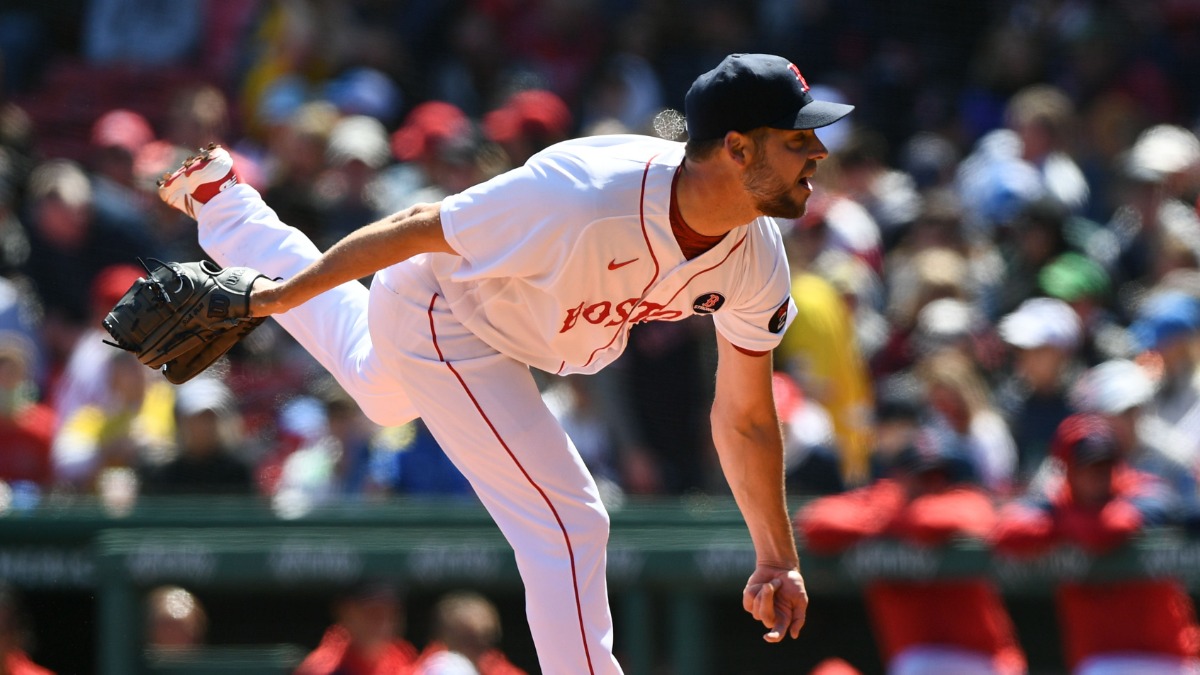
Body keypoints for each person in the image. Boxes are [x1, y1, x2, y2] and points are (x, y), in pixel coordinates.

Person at [159, 52, 851, 673]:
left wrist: (776, 555)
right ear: (734, 147)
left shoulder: (756, 257)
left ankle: (224, 205)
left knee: (380, 389)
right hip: (443, 304)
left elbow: (746, 416)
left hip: (515, 334)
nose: (818, 152)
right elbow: (418, 226)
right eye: (797, 140)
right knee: (570, 519)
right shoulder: (582, 195)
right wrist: (275, 300)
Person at [795, 431, 1026, 675]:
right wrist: (889, 513)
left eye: (940, 475)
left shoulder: (964, 500)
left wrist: (888, 518)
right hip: (916, 659)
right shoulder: (882, 503)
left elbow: (935, 520)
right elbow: (815, 524)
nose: (933, 483)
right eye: (922, 475)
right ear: (898, 478)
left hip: (983, 659)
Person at [991, 414, 1197, 675]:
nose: (1099, 474)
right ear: (1067, 469)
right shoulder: (1056, 505)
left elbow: (1112, 527)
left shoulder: (1142, 491)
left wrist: (1061, 525)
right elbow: (1004, 531)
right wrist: (1065, 522)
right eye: (1088, 466)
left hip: (1169, 656)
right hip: (1103, 660)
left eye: (1106, 463)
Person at [294, 581, 418, 675]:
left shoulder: (402, 659)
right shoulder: (324, 668)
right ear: (345, 612)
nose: (383, 621)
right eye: (373, 612)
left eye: (391, 612)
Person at [415, 591, 525, 675]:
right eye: (469, 639)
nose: (480, 647)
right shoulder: (436, 666)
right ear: (444, 637)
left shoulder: (503, 670)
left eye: (487, 638)